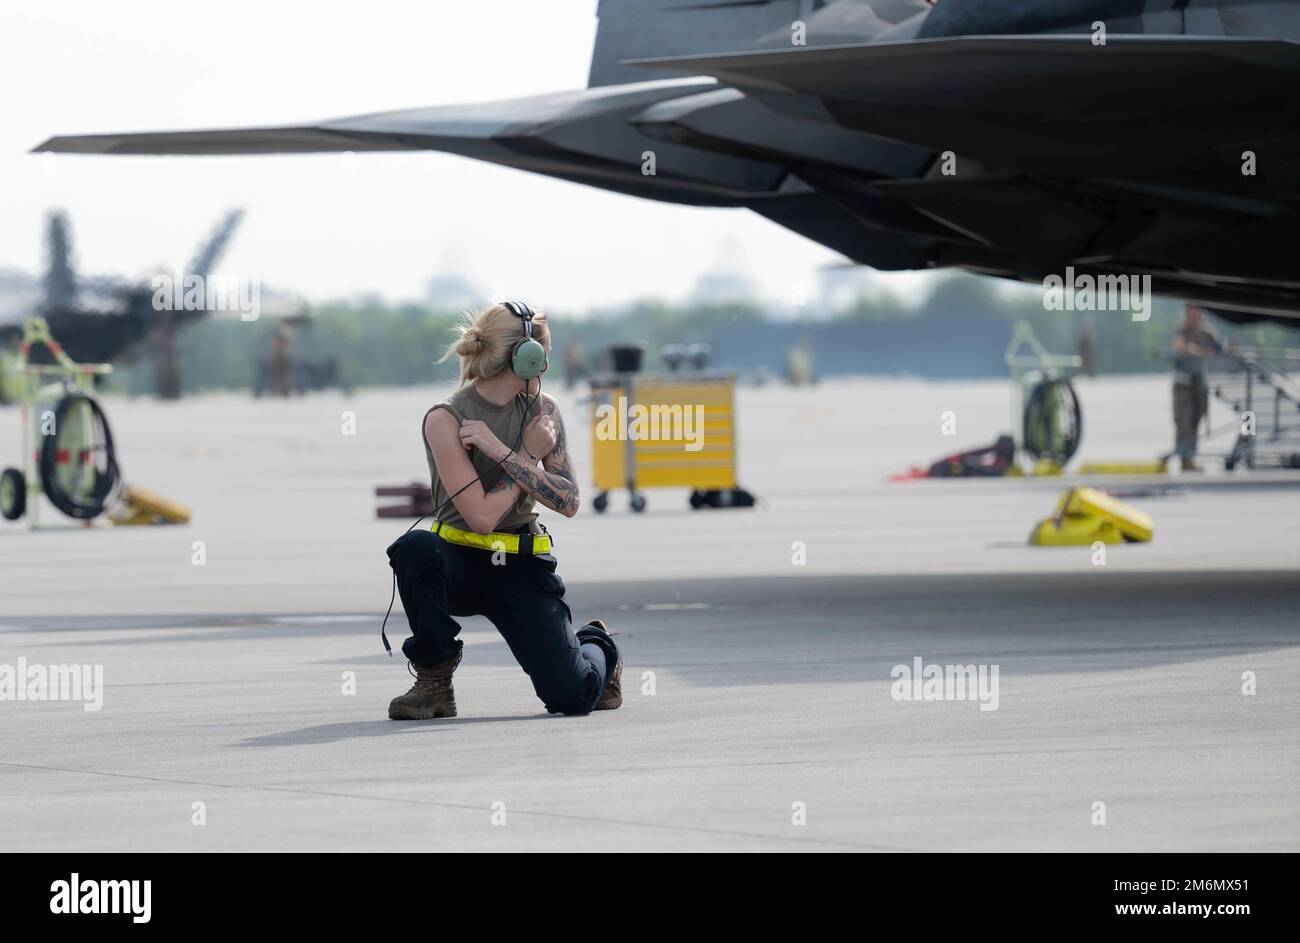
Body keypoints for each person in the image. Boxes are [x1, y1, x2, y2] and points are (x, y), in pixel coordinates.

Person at [386, 302, 621, 719]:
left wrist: (507, 451)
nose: (545, 366)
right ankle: (434, 683)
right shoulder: (446, 418)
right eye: (543, 356)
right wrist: (527, 455)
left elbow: (567, 501)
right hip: (460, 563)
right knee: (414, 548)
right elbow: (480, 517)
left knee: (573, 697)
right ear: (526, 356)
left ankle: (597, 644)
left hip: (521, 565)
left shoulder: (543, 411)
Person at [1170, 304, 1222, 470]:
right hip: (1183, 383)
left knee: (1196, 419)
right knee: (1183, 421)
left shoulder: (1206, 331)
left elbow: (1219, 346)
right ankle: (1185, 459)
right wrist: (1200, 351)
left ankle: (1190, 457)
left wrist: (1198, 350)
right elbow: (1180, 347)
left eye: (1198, 311)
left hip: (1199, 383)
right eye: (1192, 311)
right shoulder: (1181, 329)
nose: (1196, 315)